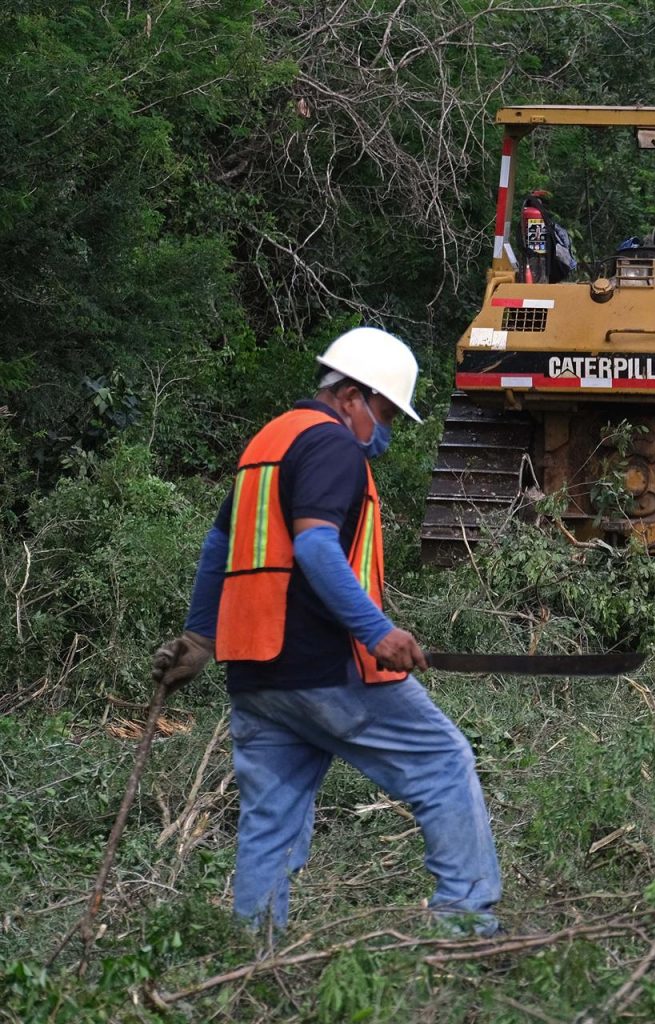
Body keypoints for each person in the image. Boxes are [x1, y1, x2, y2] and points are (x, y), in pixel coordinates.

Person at [150, 327, 502, 938]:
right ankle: (467, 930)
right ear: (350, 396)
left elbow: (218, 548)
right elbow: (314, 546)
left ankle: (255, 959)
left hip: (257, 675)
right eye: (386, 411)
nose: (384, 429)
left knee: (271, 822)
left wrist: (201, 641)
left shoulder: (267, 442)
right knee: (444, 763)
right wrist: (377, 631)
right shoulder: (333, 447)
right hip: (325, 666)